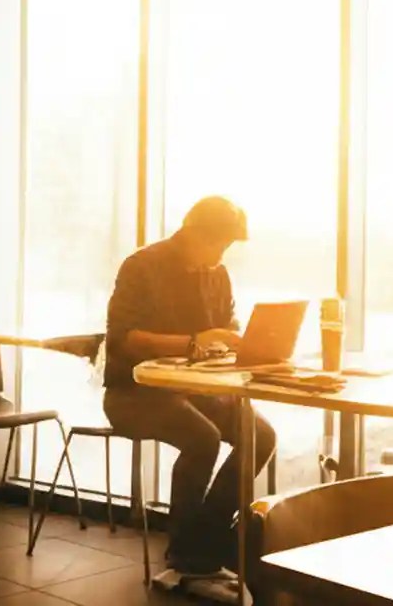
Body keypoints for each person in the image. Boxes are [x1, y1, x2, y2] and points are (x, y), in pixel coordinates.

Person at [103, 195, 277, 577]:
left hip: (196, 391)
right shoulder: (142, 266)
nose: (221, 254)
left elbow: (228, 326)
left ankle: (206, 538)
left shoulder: (217, 274)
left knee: (261, 435)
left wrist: (231, 341)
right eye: (217, 244)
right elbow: (123, 338)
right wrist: (193, 341)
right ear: (191, 233)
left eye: (227, 247)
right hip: (133, 393)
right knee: (203, 438)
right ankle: (184, 551)